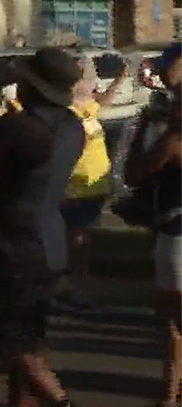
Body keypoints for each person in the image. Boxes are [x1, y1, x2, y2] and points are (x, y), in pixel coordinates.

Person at [0, 48, 119, 407]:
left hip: (17, 246)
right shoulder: (70, 124)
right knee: (29, 349)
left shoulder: (23, 126)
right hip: (49, 242)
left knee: (15, 350)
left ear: (33, 85)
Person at [124, 43, 182, 407]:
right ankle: (169, 396)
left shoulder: (173, 140)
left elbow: (134, 173)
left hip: (178, 232)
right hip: (170, 227)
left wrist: (149, 129)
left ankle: (170, 396)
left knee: (174, 317)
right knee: (170, 320)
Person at [58, 55, 127, 310]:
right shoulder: (68, 112)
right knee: (77, 240)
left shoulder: (88, 107)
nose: (93, 83)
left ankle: (76, 286)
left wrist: (120, 80)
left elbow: (103, 102)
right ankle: (71, 287)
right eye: (88, 79)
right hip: (74, 186)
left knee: (84, 240)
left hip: (94, 186)